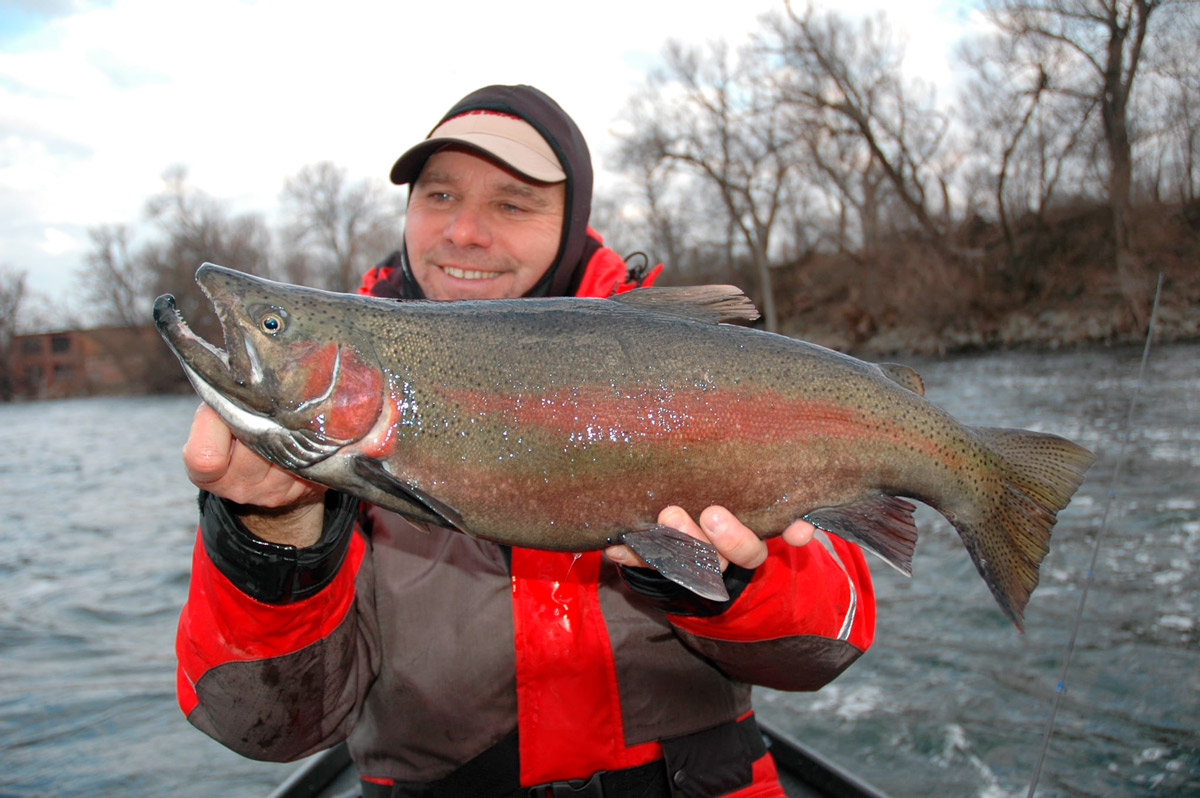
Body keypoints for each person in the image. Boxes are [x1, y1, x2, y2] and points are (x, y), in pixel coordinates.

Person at [176, 84, 875, 798]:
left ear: (570, 223)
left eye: (511, 203)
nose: (465, 231)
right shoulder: (332, 420)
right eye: (439, 196)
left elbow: (829, 645)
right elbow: (265, 721)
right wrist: (275, 535)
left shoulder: (701, 369)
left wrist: (725, 584)